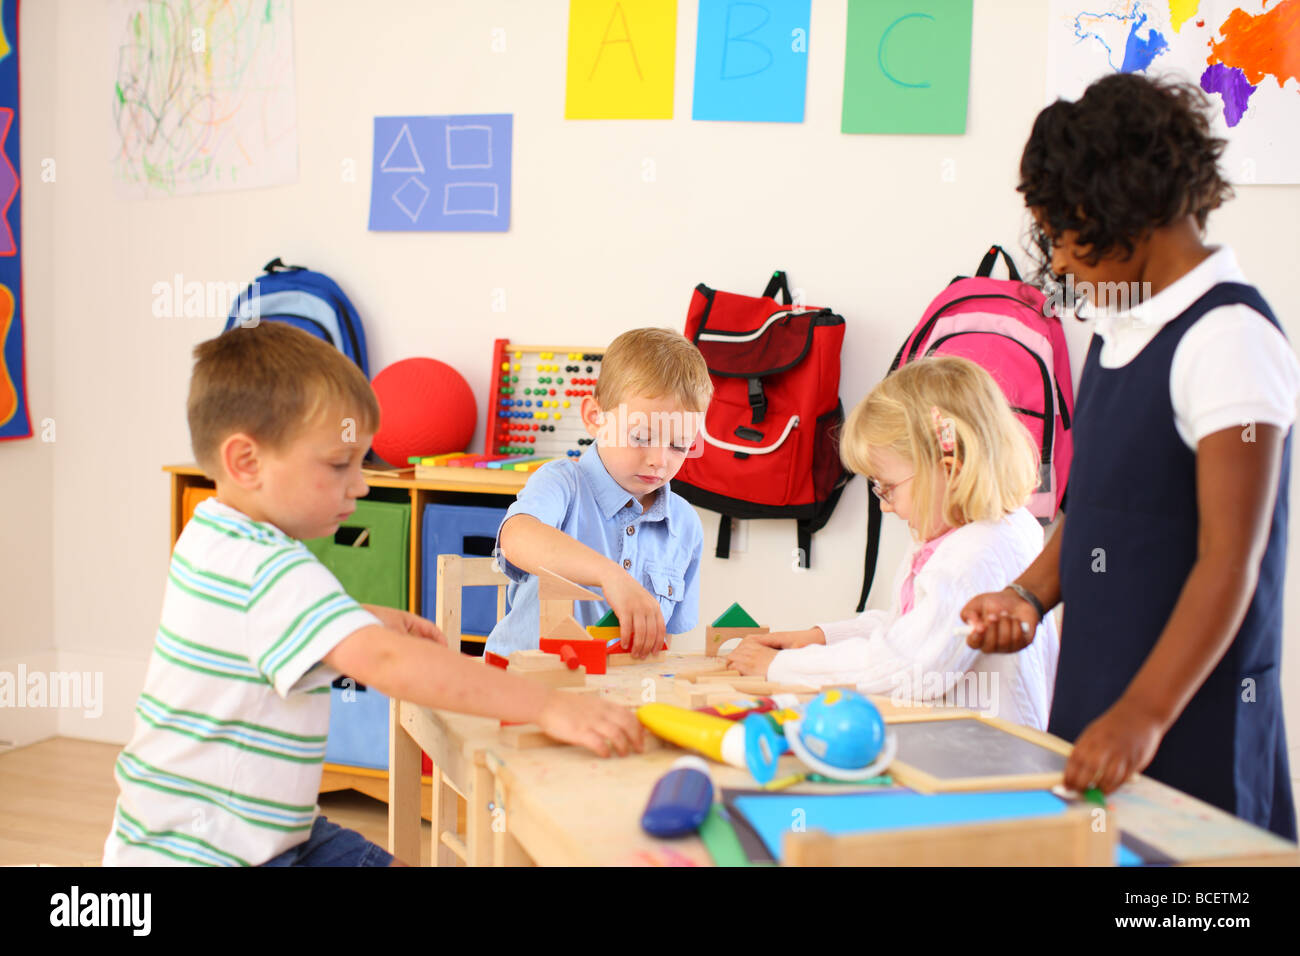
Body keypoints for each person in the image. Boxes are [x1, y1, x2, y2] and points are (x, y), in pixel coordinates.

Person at [103, 323, 642, 867]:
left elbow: (246, 628)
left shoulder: (212, 533)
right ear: (247, 462)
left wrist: (353, 617)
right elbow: (388, 664)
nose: (360, 486)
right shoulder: (273, 568)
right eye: (339, 465)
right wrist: (548, 707)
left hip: (264, 830)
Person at [963, 73, 1298, 839]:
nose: (1060, 263)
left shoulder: (1230, 339)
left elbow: (1230, 561)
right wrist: (1029, 595)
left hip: (1190, 720)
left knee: (1186, 916)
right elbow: (1100, 504)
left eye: (1060, 235)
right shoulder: (1119, 333)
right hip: (1099, 700)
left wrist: (1144, 716)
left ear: (1112, 211)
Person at [728, 356, 1059, 728]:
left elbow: (903, 664)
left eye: (887, 487)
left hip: (988, 764)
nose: (885, 506)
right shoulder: (975, 533)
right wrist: (822, 638)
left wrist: (781, 666)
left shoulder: (972, 556)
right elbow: (907, 628)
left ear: (948, 467)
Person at [487, 328, 712, 658]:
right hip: (527, 688)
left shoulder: (685, 524)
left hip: (614, 696)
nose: (659, 461)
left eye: (679, 445)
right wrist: (611, 576)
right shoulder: (563, 483)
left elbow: (663, 644)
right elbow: (517, 537)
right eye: (640, 437)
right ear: (595, 418)